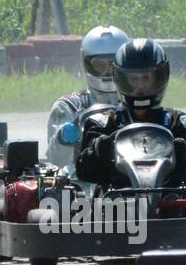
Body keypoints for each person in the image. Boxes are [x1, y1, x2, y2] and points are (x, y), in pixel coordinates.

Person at [75, 38, 186, 204]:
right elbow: (84, 172)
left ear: (160, 77)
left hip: (172, 209)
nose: (140, 87)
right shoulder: (101, 125)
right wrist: (101, 149)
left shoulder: (185, 125)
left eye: (146, 78)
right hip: (115, 207)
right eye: (134, 79)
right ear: (121, 79)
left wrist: (183, 155)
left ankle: (171, 208)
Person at [45, 25, 129, 172]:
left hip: (129, 180)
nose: (107, 72)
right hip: (82, 184)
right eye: (99, 65)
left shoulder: (135, 104)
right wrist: (63, 139)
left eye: (113, 64)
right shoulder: (69, 107)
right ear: (85, 63)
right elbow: (57, 161)